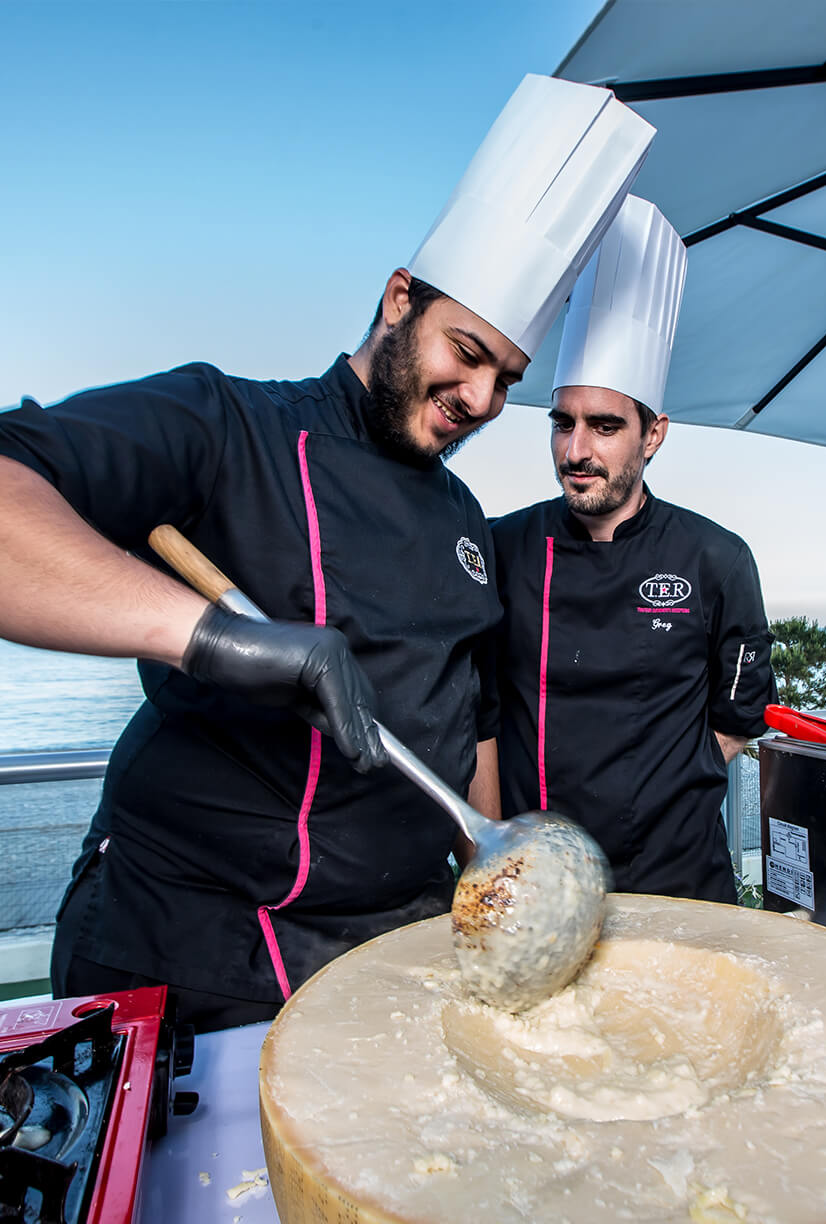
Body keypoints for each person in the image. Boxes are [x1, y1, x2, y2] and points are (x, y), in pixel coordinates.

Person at [0, 75, 654, 1030]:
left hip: (396, 950)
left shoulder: (467, 520)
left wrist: (504, 859)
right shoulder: (229, 424)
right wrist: (213, 638)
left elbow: (467, 724)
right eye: (465, 353)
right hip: (192, 943)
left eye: (506, 380)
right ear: (398, 300)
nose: (478, 398)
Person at [492, 196, 777, 904]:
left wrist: (667, 791)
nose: (576, 450)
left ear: (653, 435)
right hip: (543, 888)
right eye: (563, 423)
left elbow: (739, 714)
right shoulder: (503, 548)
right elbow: (481, 716)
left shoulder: (716, 558)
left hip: (681, 882)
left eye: (605, 425)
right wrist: (492, 851)